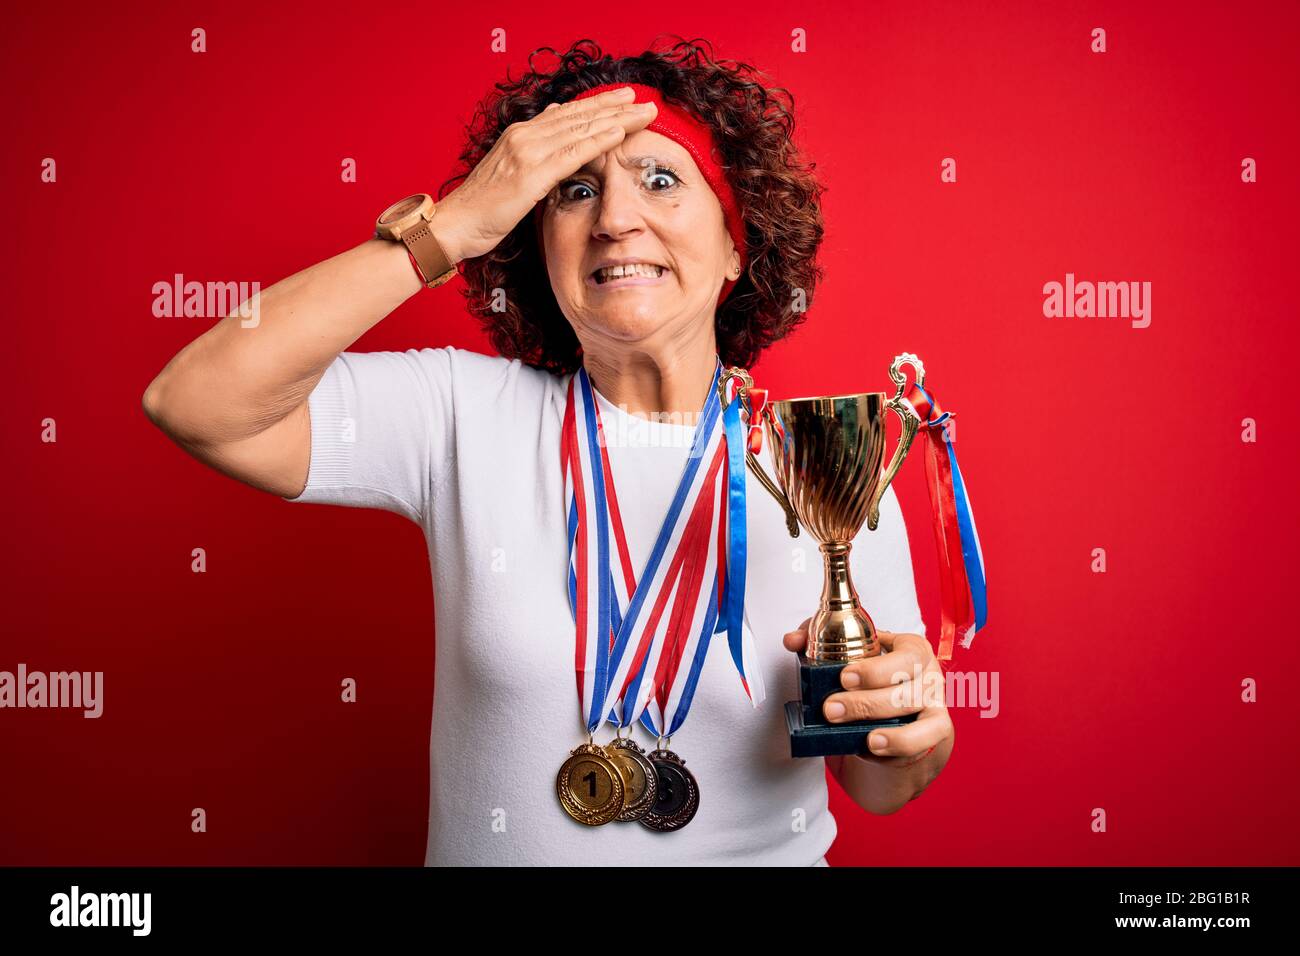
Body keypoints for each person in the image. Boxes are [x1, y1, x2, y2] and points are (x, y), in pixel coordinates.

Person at [142, 37, 954, 866]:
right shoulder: (461, 414)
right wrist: (448, 228)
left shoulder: (823, 469)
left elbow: (877, 786)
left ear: (738, 246)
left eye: (661, 180)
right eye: (574, 190)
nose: (612, 220)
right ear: (540, 241)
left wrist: (912, 733)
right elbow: (196, 403)